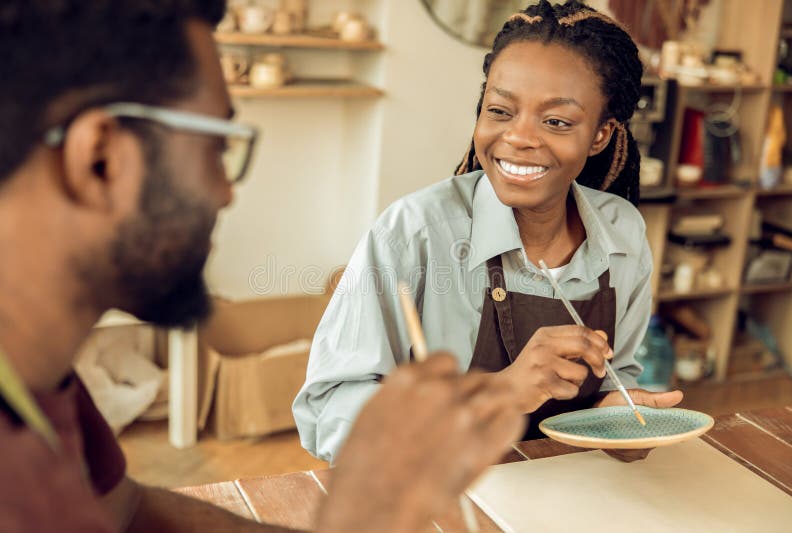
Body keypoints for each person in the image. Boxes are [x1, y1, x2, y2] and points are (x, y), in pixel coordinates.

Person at [0, 1, 525, 532]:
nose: (226, 192)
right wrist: (366, 510)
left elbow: (127, 511)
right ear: (100, 160)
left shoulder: (40, 380)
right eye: (215, 147)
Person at [294, 0, 684, 464]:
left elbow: (616, 375)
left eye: (556, 121)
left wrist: (616, 420)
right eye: (500, 110)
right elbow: (327, 414)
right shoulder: (415, 233)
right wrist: (496, 395)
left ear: (600, 135)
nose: (518, 137)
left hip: (567, 492)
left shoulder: (622, 233)